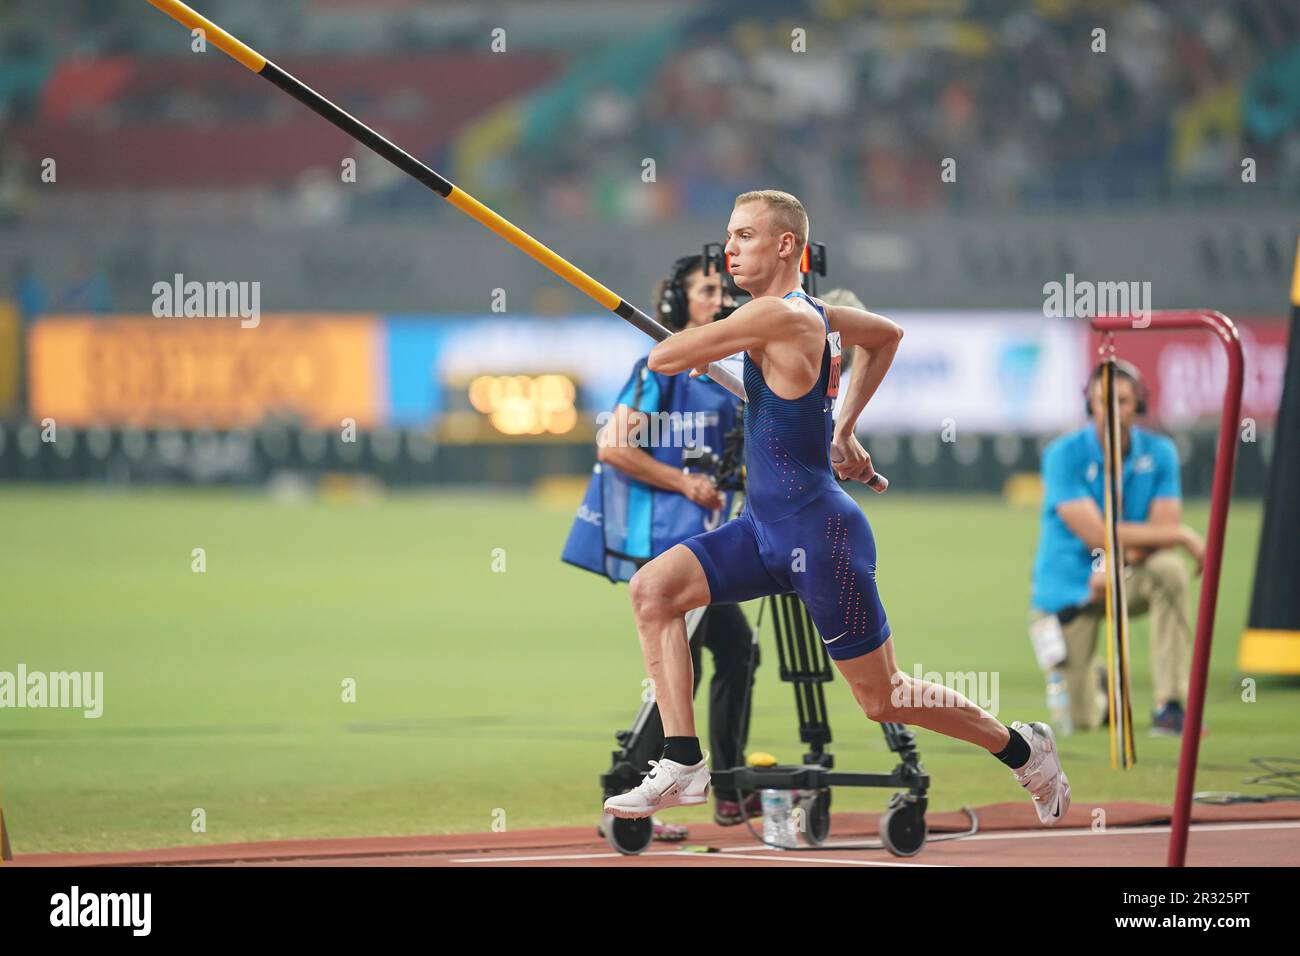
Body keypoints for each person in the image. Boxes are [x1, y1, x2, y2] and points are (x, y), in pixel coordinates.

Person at [602, 189, 1071, 827]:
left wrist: (702, 341)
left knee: (884, 698)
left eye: (743, 236)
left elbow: (663, 356)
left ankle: (1022, 748)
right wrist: (843, 429)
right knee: (654, 592)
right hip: (764, 528)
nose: (729, 250)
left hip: (820, 535)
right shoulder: (809, 313)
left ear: (786, 244)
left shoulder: (780, 318)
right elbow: (889, 335)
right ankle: (683, 759)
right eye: (729, 236)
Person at [563, 254, 761, 836]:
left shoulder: (726, 368)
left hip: (708, 543)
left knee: (727, 655)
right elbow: (613, 447)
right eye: (707, 289)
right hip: (672, 543)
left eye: (726, 288)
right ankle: (634, 786)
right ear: (676, 304)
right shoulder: (665, 366)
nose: (721, 297)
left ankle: (711, 784)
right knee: (706, 658)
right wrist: (684, 482)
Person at [1030, 360, 1206, 735]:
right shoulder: (1063, 454)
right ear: (1089, 404)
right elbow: (1095, 535)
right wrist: (1180, 536)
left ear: (1138, 404)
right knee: (1077, 722)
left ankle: (1169, 705)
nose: (1112, 410)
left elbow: (1162, 527)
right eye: (1102, 401)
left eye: (1122, 401)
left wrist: (1122, 559)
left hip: (1126, 574)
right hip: (1066, 590)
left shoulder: (1160, 453)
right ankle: (1101, 688)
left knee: (1170, 570)